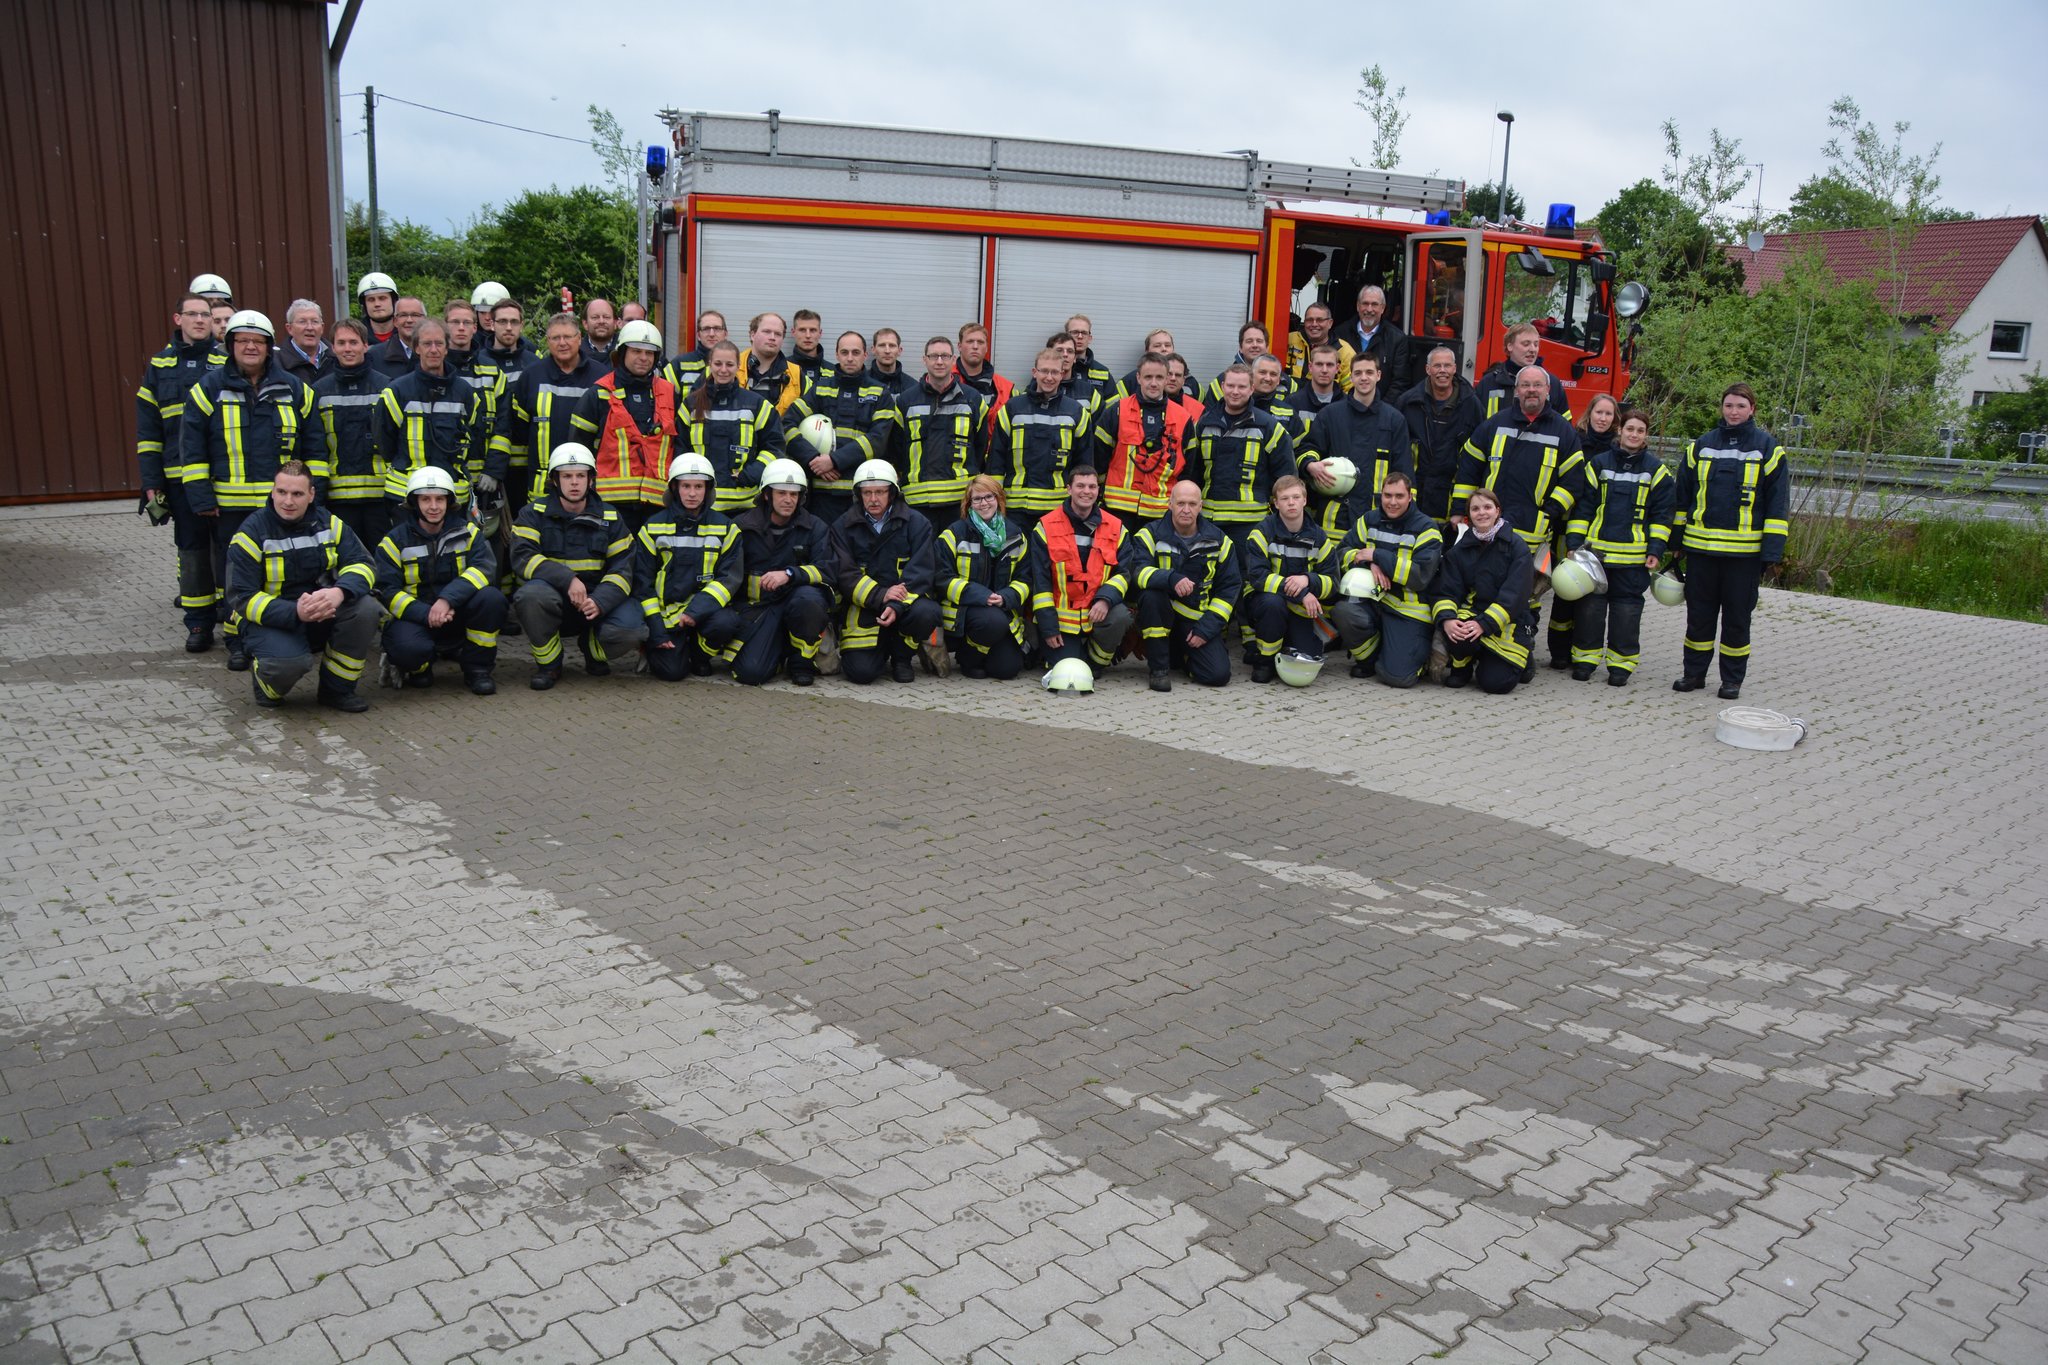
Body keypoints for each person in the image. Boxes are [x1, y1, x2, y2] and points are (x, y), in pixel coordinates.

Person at [178, 309, 321, 672]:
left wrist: (313, 494)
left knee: (285, 570)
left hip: (283, 506)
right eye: (242, 340)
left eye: (258, 341)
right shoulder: (208, 389)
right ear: (230, 345)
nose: (250, 347)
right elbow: (192, 447)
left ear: (269, 346)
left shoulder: (295, 388)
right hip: (230, 507)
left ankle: (283, 633)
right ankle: (238, 640)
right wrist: (201, 496)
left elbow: (315, 445)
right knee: (234, 576)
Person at [1450, 364, 1586, 676]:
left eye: (1538, 385)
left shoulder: (1563, 432)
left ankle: (1521, 648)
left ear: (1548, 391)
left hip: (1532, 532)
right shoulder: (1495, 424)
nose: (1531, 391)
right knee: (1483, 586)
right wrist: (1460, 509)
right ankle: (1477, 647)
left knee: (1528, 595)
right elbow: (1469, 467)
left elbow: (1574, 480)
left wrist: (1550, 510)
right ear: (1517, 390)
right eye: (1525, 385)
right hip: (1487, 530)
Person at [225, 462, 378, 711]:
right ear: (272, 491)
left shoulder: (330, 524)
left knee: (366, 609)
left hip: (322, 609)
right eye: (281, 492)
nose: (288, 501)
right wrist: (295, 611)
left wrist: (339, 592)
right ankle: (266, 684)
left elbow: (363, 564)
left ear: (311, 494)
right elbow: (242, 598)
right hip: (271, 619)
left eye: (297, 494)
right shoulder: (251, 534)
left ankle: (336, 690)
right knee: (289, 664)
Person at [1671, 383, 1788, 700]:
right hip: (1701, 552)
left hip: (1744, 557)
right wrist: (1676, 542)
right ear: (1721, 408)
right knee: (1699, 618)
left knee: (1737, 621)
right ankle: (1693, 674)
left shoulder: (1768, 449)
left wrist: (1771, 554)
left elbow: (1777, 506)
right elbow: (1683, 498)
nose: (1733, 412)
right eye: (1728, 405)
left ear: (1752, 409)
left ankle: (1731, 680)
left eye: (1740, 406)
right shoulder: (1700, 446)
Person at [509, 443, 644, 689]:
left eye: (581, 475)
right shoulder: (532, 514)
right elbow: (523, 558)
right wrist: (568, 579)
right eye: (567, 476)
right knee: (530, 596)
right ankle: (550, 664)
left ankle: (593, 649)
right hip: (555, 600)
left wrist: (600, 600)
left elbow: (623, 569)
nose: (574, 483)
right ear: (554, 480)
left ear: (591, 480)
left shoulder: (610, 517)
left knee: (633, 629)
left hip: (597, 604)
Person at [136, 290, 225, 651]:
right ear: (178, 320)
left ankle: (232, 619)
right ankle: (199, 623)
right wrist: (151, 483)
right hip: (178, 479)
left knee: (228, 548)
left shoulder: (225, 362)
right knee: (191, 551)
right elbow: (148, 433)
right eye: (193, 314)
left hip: (222, 478)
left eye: (206, 315)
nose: (200, 320)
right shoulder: (159, 366)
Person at [374, 465, 506, 695]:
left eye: (440, 499)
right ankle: (420, 667)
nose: (433, 506)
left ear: (449, 502)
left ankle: (477, 669)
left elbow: (484, 570)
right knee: (408, 651)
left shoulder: (469, 533)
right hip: (415, 619)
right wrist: (426, 614)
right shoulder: (394, 542)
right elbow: (387, 592)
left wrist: (447, 600)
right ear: (414, 502)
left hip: (456, 613)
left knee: (491, 599)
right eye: (426, 499)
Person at [1566, 406, 1674, 686]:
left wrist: (1655, 549)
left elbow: (1662, 515)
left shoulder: (1656, 471)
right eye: (1630, 429)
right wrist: (1574, 544)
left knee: (1626, 612)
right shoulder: (1598, 465)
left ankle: (1621, 665)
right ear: (1620, 430)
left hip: (1633, 559)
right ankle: (1585, 660)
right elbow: (1583, 508)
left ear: (1646, 435)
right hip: (1595, 555)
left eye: (1640, 430)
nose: (1634, 434)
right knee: (1590, 609)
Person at [633, 452, 743, 680]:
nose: (692, 494)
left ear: (708, 489)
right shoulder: (652, 527)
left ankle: (699, 656)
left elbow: (728, 580)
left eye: (698, 487)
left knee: (727, 623)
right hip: (666, 616)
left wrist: (695, 612)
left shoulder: (726, 529)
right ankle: (658, 648)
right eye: (686, 486)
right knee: (671, 673)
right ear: (675, 488)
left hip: (705, 612)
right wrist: (656, 628)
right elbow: (642, 582)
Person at [831, 460, 941, 685]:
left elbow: (921, 571)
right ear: (859, 494)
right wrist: (881, 595)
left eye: (880, 492)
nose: (873, 499)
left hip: (904, 604)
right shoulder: (843, 526)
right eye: (867, 492)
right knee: (861, 673)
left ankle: (902, 658)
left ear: (892, 493)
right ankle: (879, 652)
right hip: (864, 604)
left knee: (927, 612)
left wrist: (896, 604)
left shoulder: (917, 523)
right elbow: (845, 573)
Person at [1124, 480, 1242, 691]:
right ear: (1170, 504)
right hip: (1161, 614)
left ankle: (1181, 657)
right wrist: (1171, 578)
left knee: (1218, 675)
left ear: (1200, 506)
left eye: (1192, 504)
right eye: (1180, 503)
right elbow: (1137, 573)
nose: (1186, 510)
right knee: (1151, 596)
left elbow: (1229, 589)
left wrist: (1206, 629)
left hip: (1196, 620)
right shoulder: (1149, 534)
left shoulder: (1220, 541)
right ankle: (1159, 670)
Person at [1331, 471, 1443, 686]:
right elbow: (1341, 552)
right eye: (1388, 495)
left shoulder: (1426, 528)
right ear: (1380, 495)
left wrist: (1378, 556)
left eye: (1399, 496)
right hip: (1373, 602)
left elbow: (1420, 576)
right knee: (1344, 612)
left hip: (1407, 611)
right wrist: (1368, 563)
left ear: (1410, 497)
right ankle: (1369, 660)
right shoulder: (1369, 520)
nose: (1392, 502)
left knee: (1399, 678)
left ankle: (1419, 655)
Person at [730, 458, 836, 686]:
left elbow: (826, 569)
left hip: (798, 606)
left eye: (794, 494)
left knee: (808, 600)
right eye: (781, 493)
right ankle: (780, 653)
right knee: (751, 674)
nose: (788, 500)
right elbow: (730, 577)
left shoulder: (815, 526)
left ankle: (801, 662)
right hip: (758, 610)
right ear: (767, 495)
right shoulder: (742, 526)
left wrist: (789, 574)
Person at [1184, 363, 1296, 578]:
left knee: (1245, 576)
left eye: (1242, 387)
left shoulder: (1268, 426)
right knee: (1207, 575)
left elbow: (1285, 477)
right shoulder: (1204, 423)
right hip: (1209, 520)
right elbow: (1193, 473)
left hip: (1250, 523)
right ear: (1222, 387)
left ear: (1252, 389)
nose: (1235, 392)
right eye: (1231, 386)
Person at [568, 319, 679, 531]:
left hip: (658, 505)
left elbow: (680, 447)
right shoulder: (598, 394)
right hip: (611, 506)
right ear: (622, 353)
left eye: (649, 353)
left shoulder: (670, 393)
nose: (644, 358)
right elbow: (578, 449)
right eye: (636, 351)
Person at [1027, 463, 1131, 676]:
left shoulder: (1116, 528)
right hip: (1062, 621)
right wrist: (1049, 628)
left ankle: (1095, 662)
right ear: (1069, 489)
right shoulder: (1046, 527)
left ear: (1098, 491)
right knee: (1067, 670)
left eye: (1092, 487)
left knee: (1120, 616)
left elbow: (1124, 573)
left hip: (1098, 613)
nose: (1087, 491)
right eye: (1080, 486)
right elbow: (1041, 582)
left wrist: (1105, 600)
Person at [784, 331, 896, 527]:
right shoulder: (820, 389)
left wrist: (834, 461)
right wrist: (813, 459)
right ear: (836, 354)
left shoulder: (880, 393)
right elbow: (787, 423)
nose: (850, 358)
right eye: (844, 352)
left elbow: (877, 440)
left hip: (861, 494)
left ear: (865, 355)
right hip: (821, 495)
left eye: (855, 352)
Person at [373, 319, 491, 502]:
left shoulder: (465, 392)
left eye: (439, 343)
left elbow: (475, 437)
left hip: (452, 493)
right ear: (416, 348)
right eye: (427, 344)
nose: (433, 350)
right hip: (406, 493)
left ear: (446, 348)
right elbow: (384, 441)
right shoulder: (397, 391)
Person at [1432, 487, 1534, 693]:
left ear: (1497, 511)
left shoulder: (1516, 547)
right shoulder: (1459, 550)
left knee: (1496, 684)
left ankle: (1523, 660)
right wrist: (1448, 620)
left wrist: (1484, 624)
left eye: (1487, 507)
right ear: (1469, 515)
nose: (1482, 513)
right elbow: (1446, 591)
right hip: (1474, 614)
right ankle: (1462, 667)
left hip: (1508, 621)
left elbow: (1515, 596)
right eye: (1475, 509)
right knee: (1457, 631)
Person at [1299, 352, 1412, 536]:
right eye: (1358, 373)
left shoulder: (1394, 420)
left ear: (1379, 375)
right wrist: (1310, 465)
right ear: (1350, 377)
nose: (1364, 378)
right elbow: (1308, 448)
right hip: (1334, 517)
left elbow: (1404, 469)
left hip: (1378, 518)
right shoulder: (1330, 414)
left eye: (1369, 372)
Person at [504, 313, 605, 503]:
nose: (562, 343)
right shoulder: (531, 376)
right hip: (542, 487)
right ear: (547, 341)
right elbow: (519, 431)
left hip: (590, 484)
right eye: (556, 338)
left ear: (579, 338)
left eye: (567, 337)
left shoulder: (601, 376)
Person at [313, 318, 395, 552]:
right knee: (346, 559)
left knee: (383, 557)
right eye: (341, 343)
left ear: (365, 346)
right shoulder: (319, 391)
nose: (347, 348)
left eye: (353, 342)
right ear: (333, 347)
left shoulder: (386, 387)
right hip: (337, 499)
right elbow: (316, 445)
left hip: (380, 497)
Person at [1242, 475, 1334, 682]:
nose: (1291, 503)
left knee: (1309, 654)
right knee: (1272, 604)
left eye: (1296, 497)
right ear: (1276, 503)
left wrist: (1308, 579)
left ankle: (1286, 646)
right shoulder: (1261, 532)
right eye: (1285, 498)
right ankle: (1264, 661)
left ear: (1305, 500)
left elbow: (1332, 581)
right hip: (1264, 602)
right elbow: (1257, 576)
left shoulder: (1319, 537)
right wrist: (1302, 593)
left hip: (1298, 609)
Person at [1094, 354, 1201, 530]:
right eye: (1148, 377)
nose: (1153, 383)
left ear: (1166, 379)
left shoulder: (1183, 418)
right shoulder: (1117, 411)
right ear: (1138, 378)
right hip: (1118, 509)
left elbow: (1189, 468)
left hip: (1161, 513)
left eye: (1159, 377)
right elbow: (1098, 458)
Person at [938, 475, 1029, 679]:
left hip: (1002, 609)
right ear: (969, 503)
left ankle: (982, 653)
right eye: (977, 499)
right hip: (965, 608)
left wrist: (1006, 597)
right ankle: (968, 657)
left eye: (989, 497)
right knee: (992, 622)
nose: (984, 503)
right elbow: (941, 577)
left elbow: (1025, 578)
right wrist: (981, 596)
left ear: (999, 499)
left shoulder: (1016, 536)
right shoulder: (954, 534)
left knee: (1007, 669)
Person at [899, 335, 989, 532]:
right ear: (924, 359)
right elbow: (897, 447)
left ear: (953, 359)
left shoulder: (972, 399)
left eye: (945, 356)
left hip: (960, 502)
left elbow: (980, 446)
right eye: (933, 356)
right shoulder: (906, 400)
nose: (939, 361)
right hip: (917, 502)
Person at [992, 347, 1086, 532]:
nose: (1049, 377)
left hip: (1058, 509)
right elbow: (996, 460)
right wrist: (996, 503)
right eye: (1044, 371)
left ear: (1062, 374)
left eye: (1054, 372)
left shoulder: (1076, 412)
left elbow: (1083, 462)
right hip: (1015, 509)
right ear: (1034, 372)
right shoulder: (1012, 408)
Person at [683, 339, 782, 515]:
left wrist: (750, 475)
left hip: (745, 507)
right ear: (709, 365)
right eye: (718, 364)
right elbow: (680, 448)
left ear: (738, 366)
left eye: (729, 364)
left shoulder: (757, 405)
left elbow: (775, 447)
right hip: (701, 505)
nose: (723, 370)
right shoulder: (691, 404)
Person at [1397, 344, 1481, 523]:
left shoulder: (1471, 405)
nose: (1442, 370)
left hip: (1450, 501)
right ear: (1428, 369)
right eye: (1437, 366)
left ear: (1455, 368)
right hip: (1414, 497)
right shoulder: (1408, 403)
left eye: (1447, 365)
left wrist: (1460, 508)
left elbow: (1477, 459)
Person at [1474, 323, 1570, 420]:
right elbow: (1475, 423)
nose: (1533, 349)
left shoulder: (1552, 383)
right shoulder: (1489, 382)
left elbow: (1565, 425)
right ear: (1510, 346)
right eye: (1526, 344)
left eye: (1536, 344)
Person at [1335, 285, 1412, 396]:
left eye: (1374, 304)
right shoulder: (1340, 334)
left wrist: (1382, 406)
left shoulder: (1397, 339)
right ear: (1358, 306)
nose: (1369, 309)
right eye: (1365, 303)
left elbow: (1400, 382)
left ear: (1383, 308)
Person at [739, 312, 802, 413]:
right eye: (767, 332)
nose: (772, 337)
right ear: (752, 335)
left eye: (778, 334)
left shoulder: (797, 375)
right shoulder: (729, 368)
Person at [1208, 322, 1288, 402]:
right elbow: (1211, 409)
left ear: (1267, 347)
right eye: (1249, 341)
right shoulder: (1221, 381)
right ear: (1240, 348)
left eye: (1259, 341)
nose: (1255, 345)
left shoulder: (1285, 381)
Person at [1287, 303, 1357, 392]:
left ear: (1330, 323)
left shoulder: (1345, 352)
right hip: (1289, 400)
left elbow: (1351, 390)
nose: (1314, 324)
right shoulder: (1288, 340)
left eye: (1319, 320)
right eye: (1309, 320)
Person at [663, 310, 728, 393]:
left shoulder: (736, 366)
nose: (711, 334)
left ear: (725, 334)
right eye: (706, 329)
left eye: (717, 328)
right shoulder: (678, 364)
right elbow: (667, 398)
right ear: (698, 336)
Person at [951, 323, 1010, 410]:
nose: (975, 347)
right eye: (970, 341)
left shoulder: (1005, 387)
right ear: (959, 347)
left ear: (986, 348)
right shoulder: (946, 381)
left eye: (980, 342)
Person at [275, 299, 333, 385]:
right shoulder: (276, 363)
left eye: (315, 322)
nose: (310, 327)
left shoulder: (337, 358)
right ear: (289, 328)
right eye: (302, 322)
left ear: (322, 328)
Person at [1064, 315, 1117, 409]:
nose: (1080, 336)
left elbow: (1113, 409)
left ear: (1089, 338)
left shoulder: (1103, 373)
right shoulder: (1054, 370)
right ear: (1065, 337)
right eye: (1075, 332)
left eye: (1084, 333)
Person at [1248, 355, 1305, 443]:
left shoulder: (1289, 413)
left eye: (1273, 374)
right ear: (1251, 375)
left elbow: (1301, 448)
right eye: (1262, 372)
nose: (1267, 378)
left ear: (1278, 380)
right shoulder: (1237, 407)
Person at [371, 297, 428, 375]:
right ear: (395, 321)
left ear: (425, 320)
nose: (409, 320)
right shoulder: (375, 355)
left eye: (415, 315)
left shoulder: (437, 353)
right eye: (403, 315)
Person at [1292, 343, 1345, 425]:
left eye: (1329, 365)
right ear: (1310, 367)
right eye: (1319, 364)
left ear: (1337, 368)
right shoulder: (1293, 402)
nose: (1324, 370)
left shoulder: (1347, 404)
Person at [1117, 329, 1178, 397]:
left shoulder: (1183, 378)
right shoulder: (1130, 381)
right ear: (1147, 351)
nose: (1164, 349)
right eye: (1157, 346)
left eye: (1167, 345)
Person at [869, 327, 918, 401]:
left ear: (899, 351)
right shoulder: (860, 383)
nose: (887, 351)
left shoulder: (912, 386)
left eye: (892, 346)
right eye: (882, 345)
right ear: (873, 350)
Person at [356, 271, 398, 343]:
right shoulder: (355, 335)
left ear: (393, 300)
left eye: (382, 298)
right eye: (371, 300)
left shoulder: (408, 334)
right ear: (364, 304)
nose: (377, 304)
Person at [787, 308, 827, 381]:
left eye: (813, 330)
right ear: (793, 332)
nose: (808, 335)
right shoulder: (782, 368)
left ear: (820, 333)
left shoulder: (833, 371)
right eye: (802, 330)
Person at [580, 298, 619, 366]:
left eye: (606, 317)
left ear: (615, 323)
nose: (601, 321)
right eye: (595, 317)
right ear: (585, 324)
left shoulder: (626, 351)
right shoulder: (575, 353)